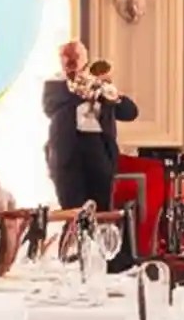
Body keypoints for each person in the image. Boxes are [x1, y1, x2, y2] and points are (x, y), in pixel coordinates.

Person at [43, 41, 138, 210]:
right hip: (68, 151)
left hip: (99, 147)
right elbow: (49, 107)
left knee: (101, 207)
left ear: (85, 58)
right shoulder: (55, 85)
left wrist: (108, 94)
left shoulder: (102, 85)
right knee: (72, 210)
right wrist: (84, 90)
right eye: (67, 56)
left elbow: (130, 113)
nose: (72, 61)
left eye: (77, 56)